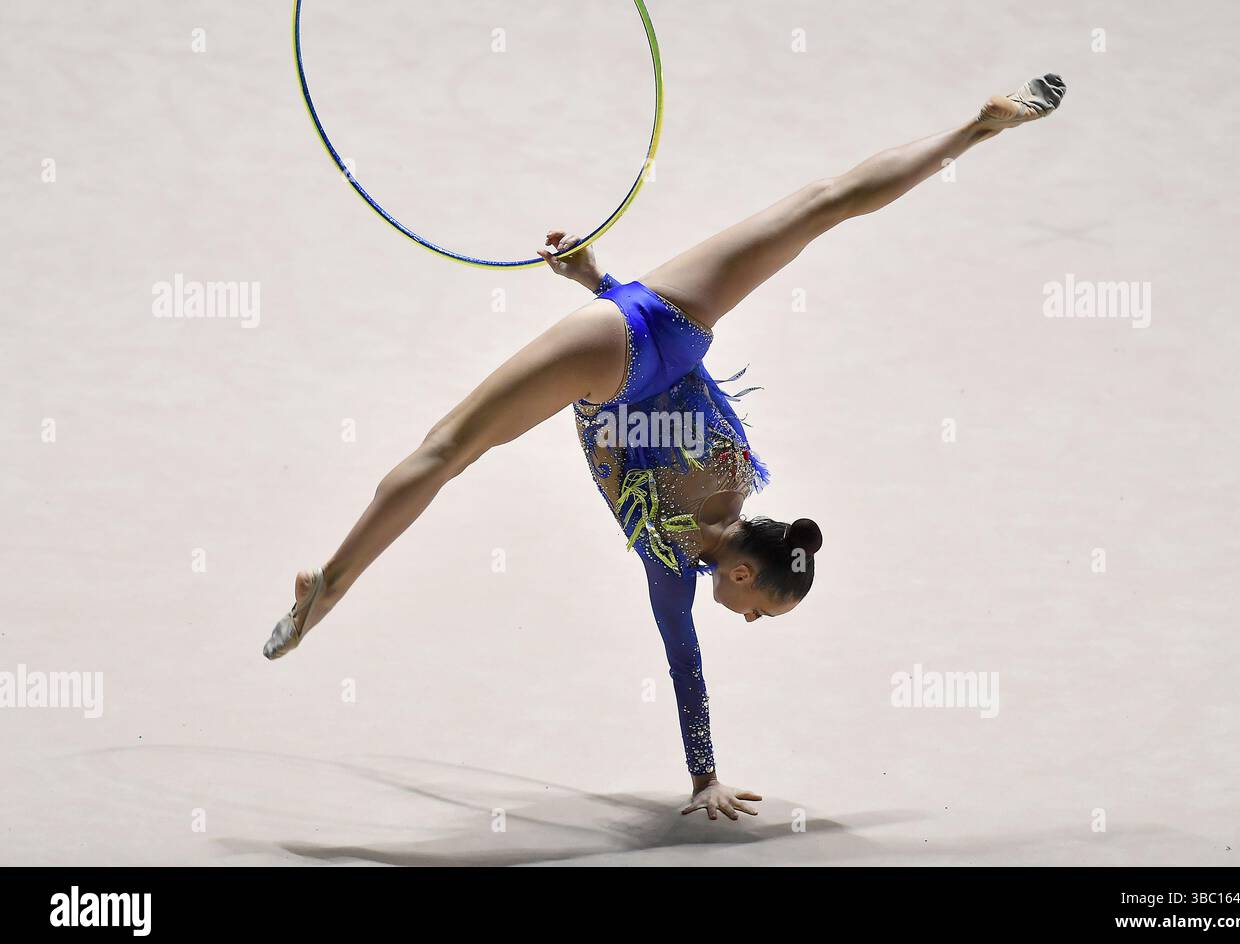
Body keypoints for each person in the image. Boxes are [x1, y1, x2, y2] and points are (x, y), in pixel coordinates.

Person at [264, 75, 1066, 821]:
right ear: (744, 571)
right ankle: (325, 592)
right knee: (445, 451)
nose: (746, 618)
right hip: (608, 366)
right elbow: (685, 664)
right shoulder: (672, 562)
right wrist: (705, 777)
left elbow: (680, 404)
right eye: (758, 608)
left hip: (672, 322)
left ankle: (971, 129)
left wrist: (600, 283)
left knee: (823, 205)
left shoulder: (740, 472)